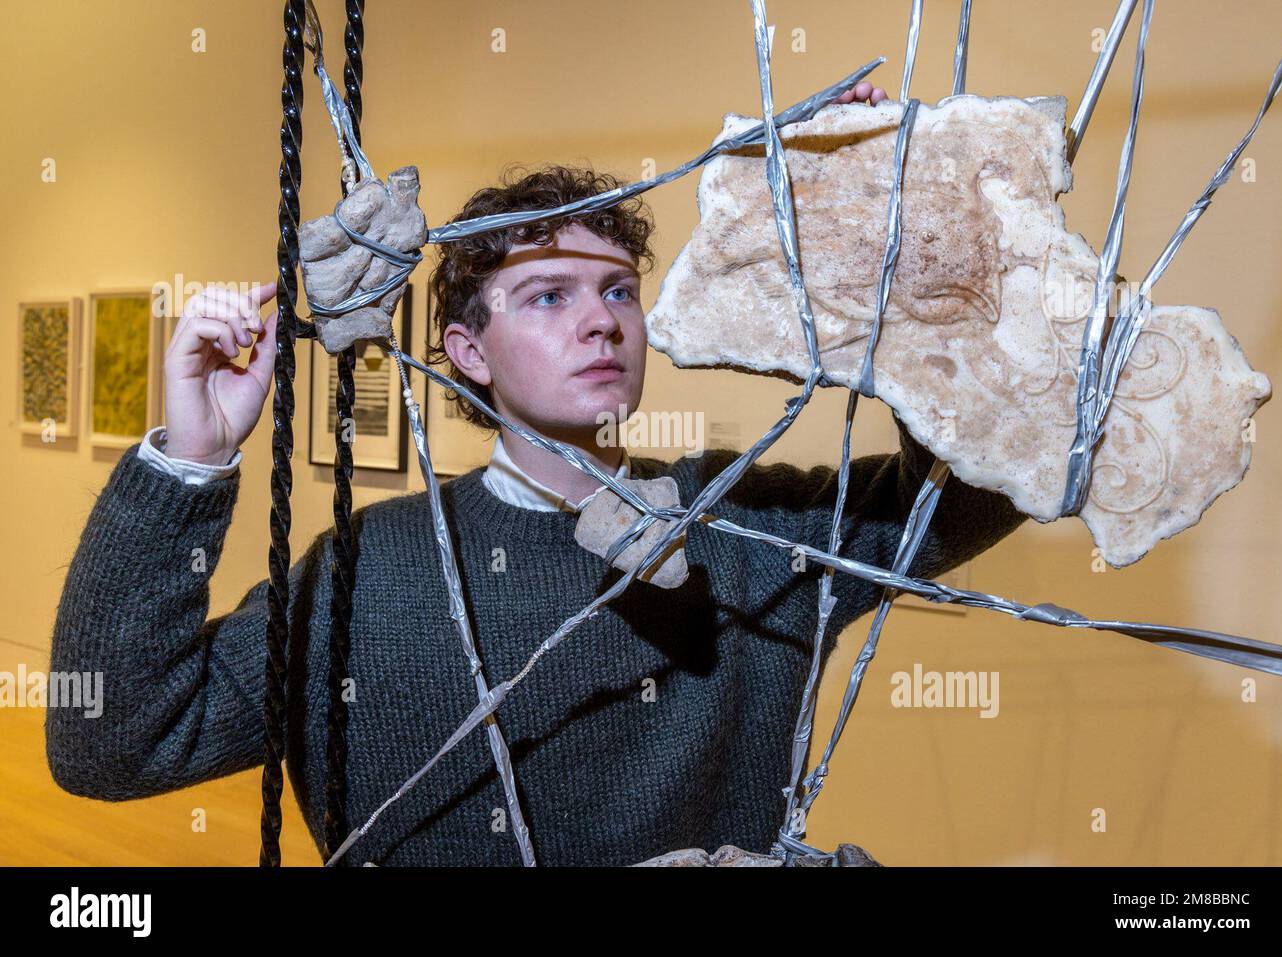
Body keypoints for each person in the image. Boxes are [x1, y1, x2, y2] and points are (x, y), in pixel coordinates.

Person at [46, 79, 1025, 865]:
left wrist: (888, 255)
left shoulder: (746, 523)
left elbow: (978, 488)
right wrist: (188, 461)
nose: (601, 320)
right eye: (547, 295)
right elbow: (113, 744)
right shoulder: (363, 573)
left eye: (616, 292)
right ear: (465, 352)